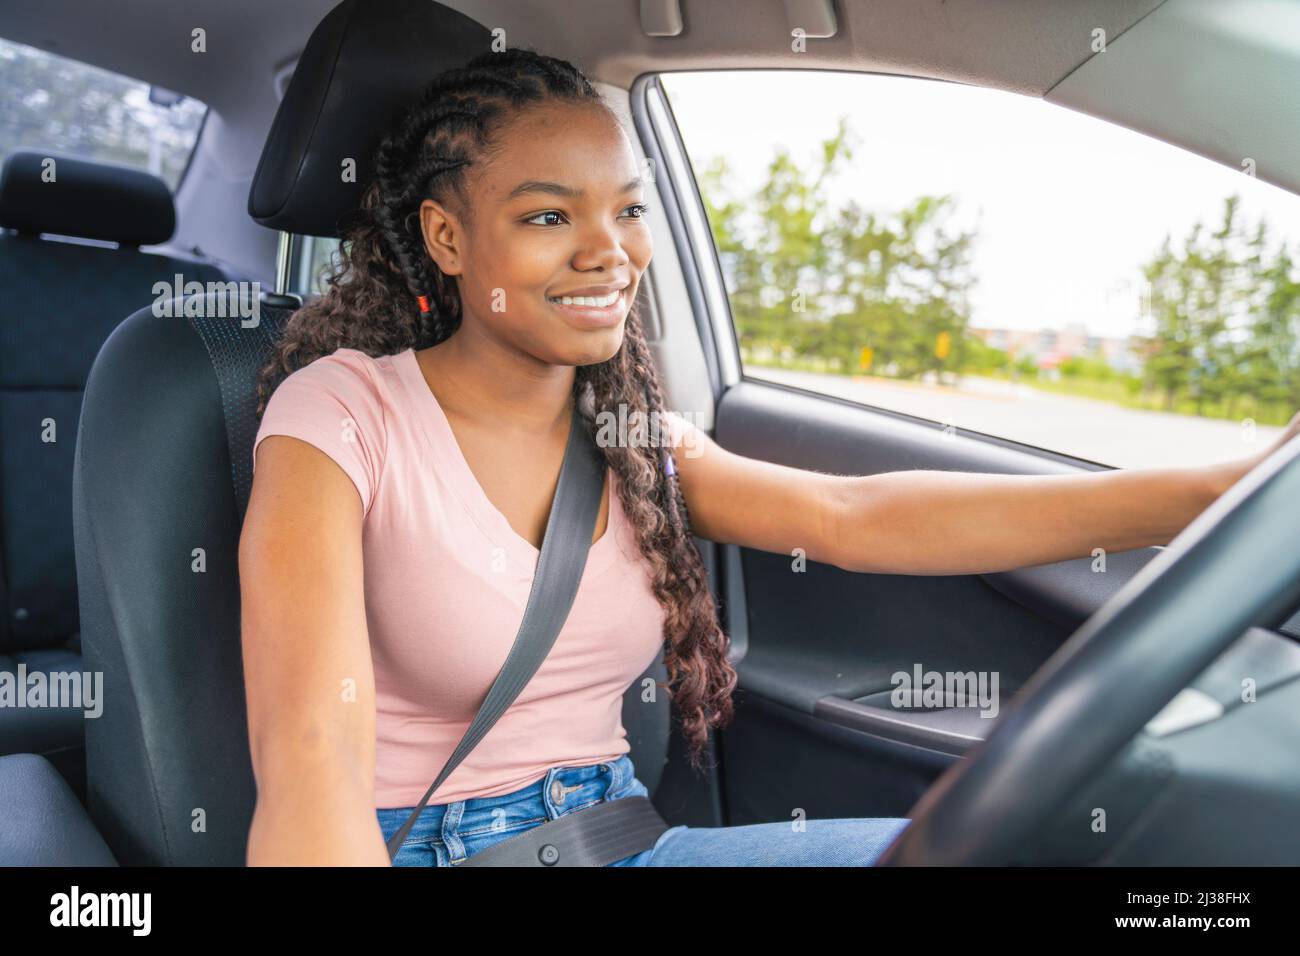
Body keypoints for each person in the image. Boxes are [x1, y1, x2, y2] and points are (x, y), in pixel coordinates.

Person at [237, 47, 1300, 867]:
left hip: (625, 841)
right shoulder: (340, 414)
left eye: (628, 209)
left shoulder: (626, 430)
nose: (610, 250)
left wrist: (1222, 491)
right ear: (450, 238)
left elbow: (851, 514)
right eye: (549, 215)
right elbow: (313, 756)